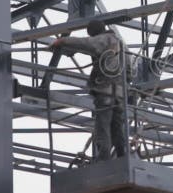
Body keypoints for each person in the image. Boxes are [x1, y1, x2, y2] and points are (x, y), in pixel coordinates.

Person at [50, 19, 128, 161]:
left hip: (105, 92)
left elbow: (84, 43)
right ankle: (123, 157)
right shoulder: (120, 44)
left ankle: (103, 160)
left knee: (103, 128)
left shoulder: (103, 39)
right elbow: (129, 70)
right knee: (117, 128)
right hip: (120, 95)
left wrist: (62, 41)